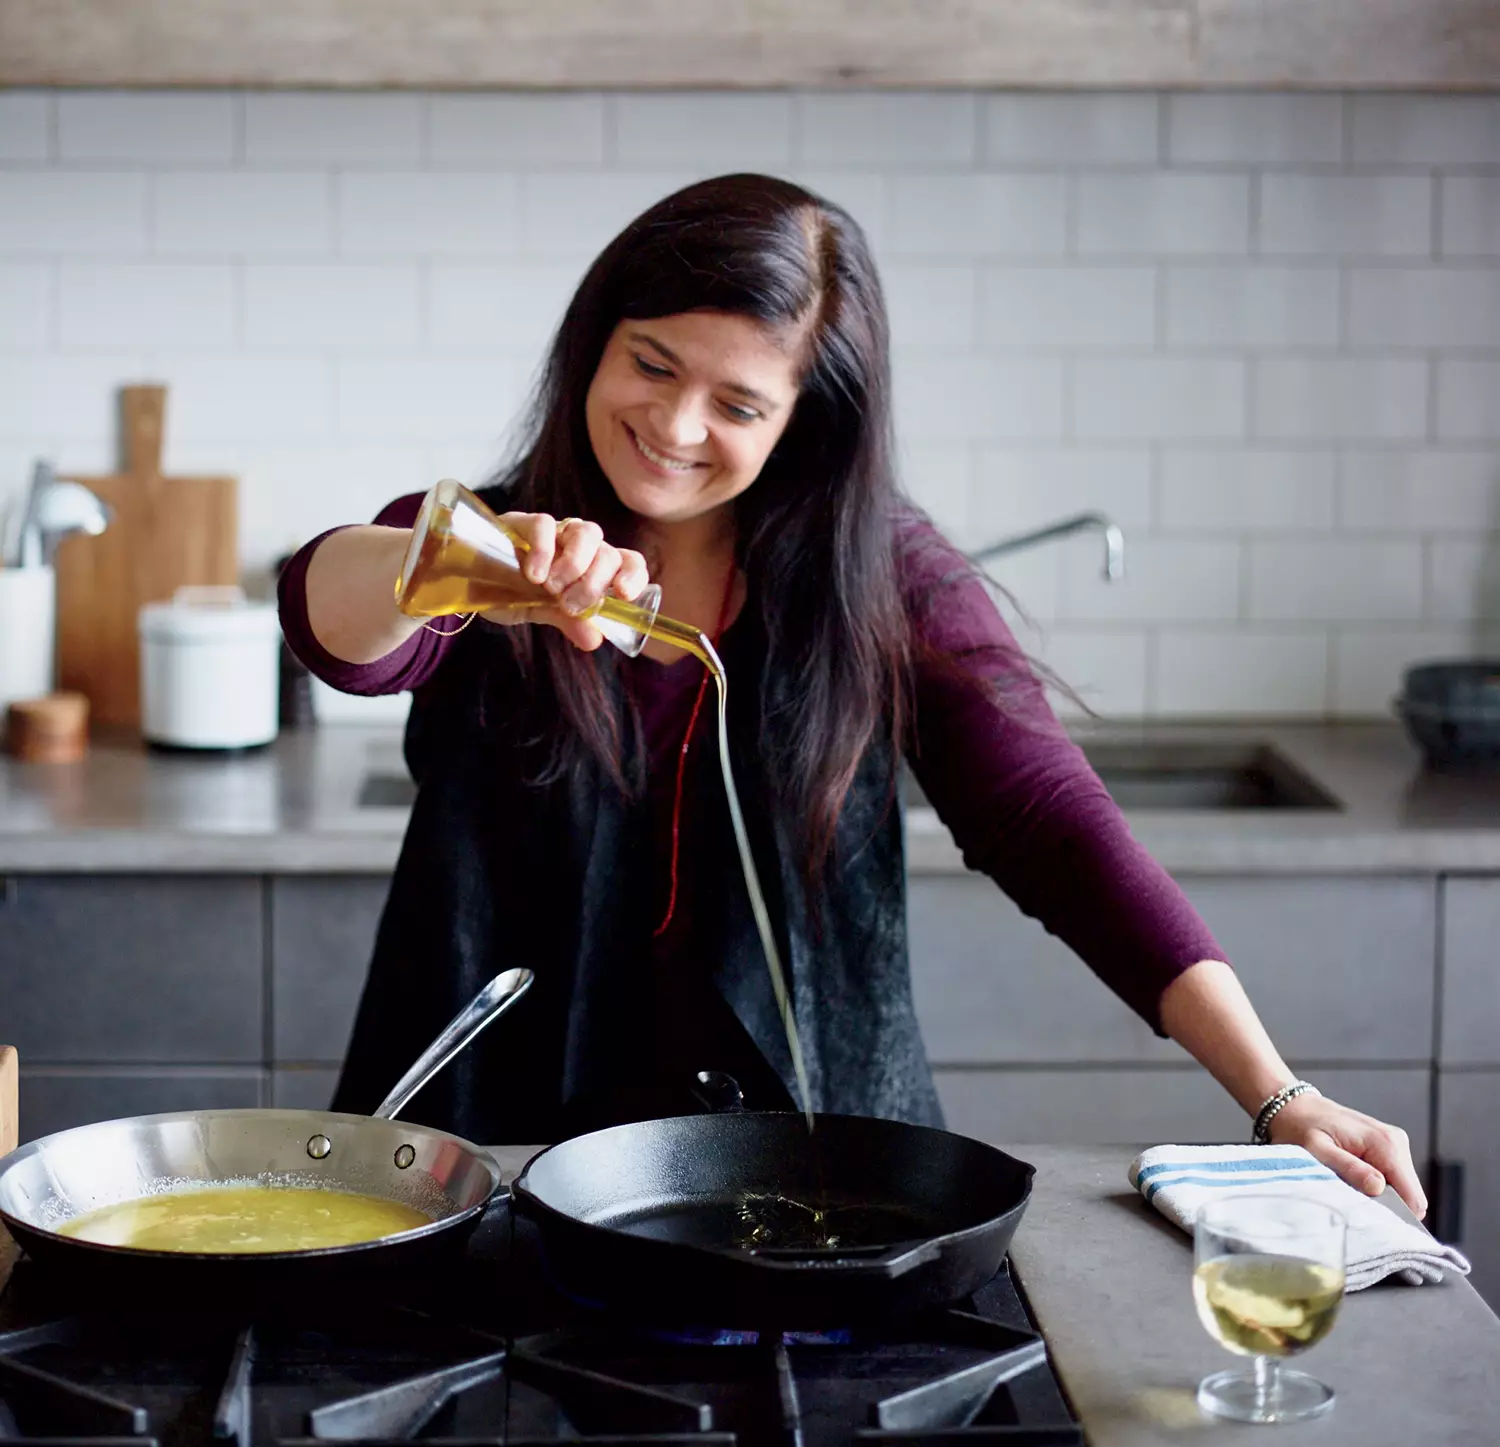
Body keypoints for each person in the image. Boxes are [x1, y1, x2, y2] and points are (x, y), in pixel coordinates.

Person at [279, 173, 1425, 1217]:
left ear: (804, 419)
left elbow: (1050, 826)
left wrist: (1278, 1098)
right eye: (652, 364)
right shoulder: (488, 547)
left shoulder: (887, 579)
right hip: (491, 1147)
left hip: (808, 1163)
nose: (675, 427)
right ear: (596, 344)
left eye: (738, 405)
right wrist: (458, 568)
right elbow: (334, 627)